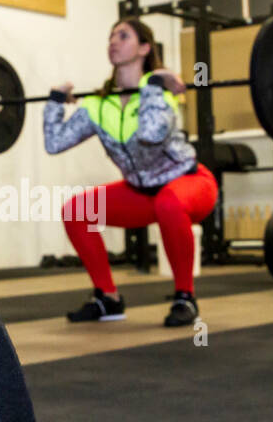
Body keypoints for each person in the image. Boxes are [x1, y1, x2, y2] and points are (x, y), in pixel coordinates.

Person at [45, 18, 217, 327]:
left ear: (144, 48)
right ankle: (107, 298)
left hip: (190, 183)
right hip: (141, 192)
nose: (113, 41)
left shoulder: (161, 93)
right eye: (111, 36)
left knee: (169, 202)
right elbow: (55, 143)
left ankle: (185, 298)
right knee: (76, 211)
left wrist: (153, 85)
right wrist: (56, 101)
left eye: (123, 36)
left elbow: (150, 134)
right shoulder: (98, 105)